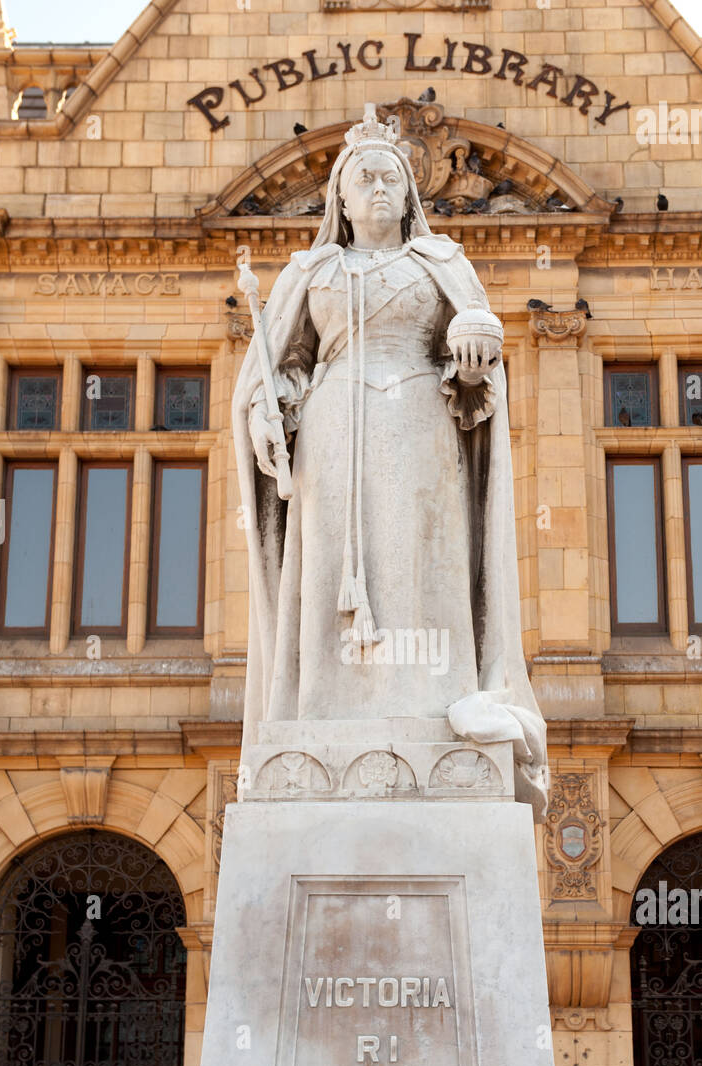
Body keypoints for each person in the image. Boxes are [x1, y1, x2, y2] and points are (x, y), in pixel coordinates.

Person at [233, 106, 548, 816]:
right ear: (340, 199)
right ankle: (324, 704)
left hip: (419, 422)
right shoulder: (309, 271)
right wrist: (265, 410)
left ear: (410, 195)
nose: (378, 187)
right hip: (331, 426)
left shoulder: (444, 264)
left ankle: (429, 699)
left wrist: (474, 356)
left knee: (424, 555)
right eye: (363, 178)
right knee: (329, 563)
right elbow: (282, 365)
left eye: (390, 178)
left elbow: (476, 362)